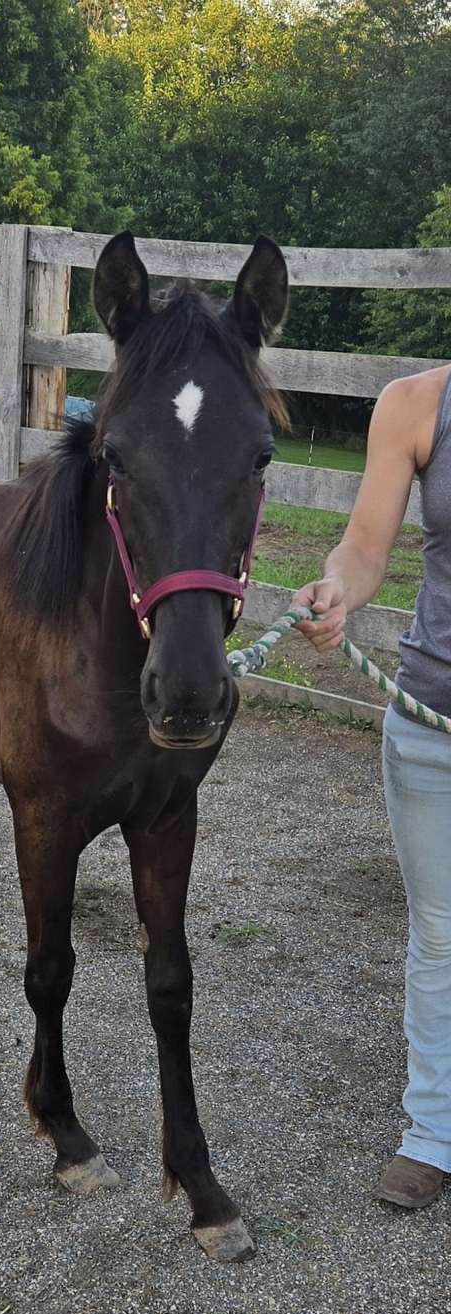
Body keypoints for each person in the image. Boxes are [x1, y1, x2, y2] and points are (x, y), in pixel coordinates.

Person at [293, 363, 451, 1210]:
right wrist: (338, 591)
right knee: (439, 934)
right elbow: (363, 546)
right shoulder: (416, 405)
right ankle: (432, 1131)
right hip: (432, 723)